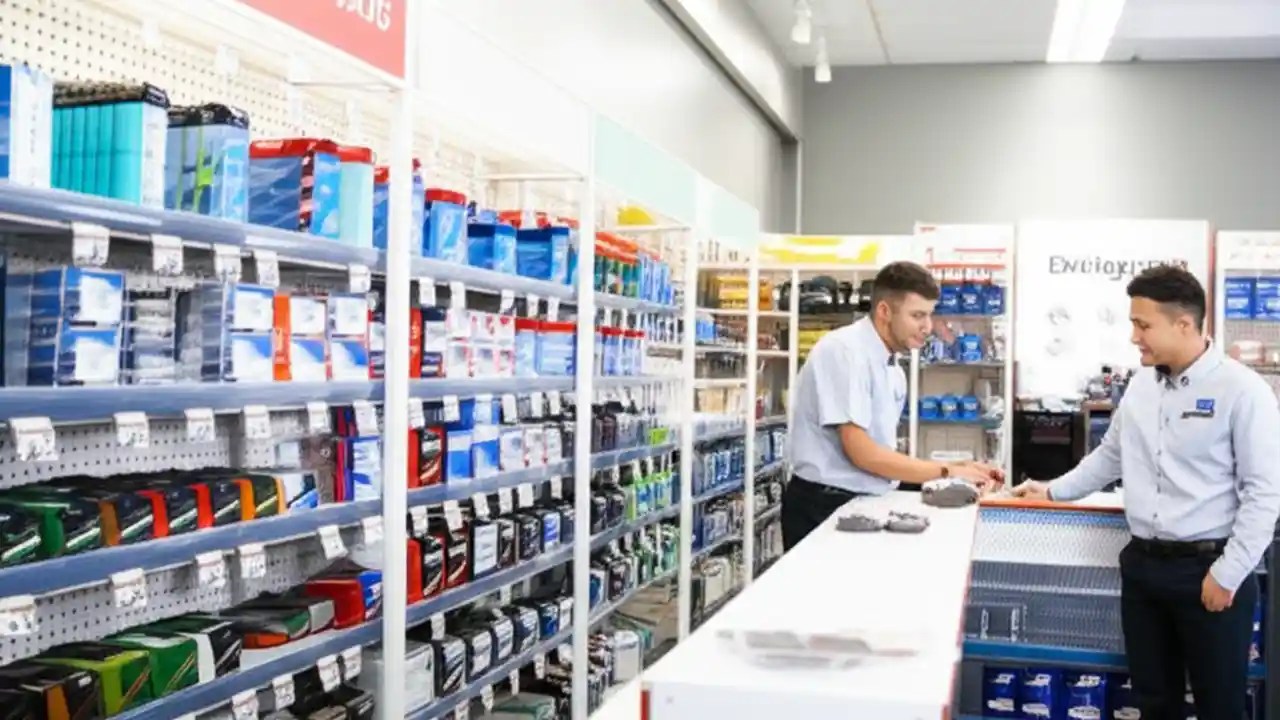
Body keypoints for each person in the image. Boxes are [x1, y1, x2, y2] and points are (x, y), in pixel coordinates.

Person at [1014, 265, 1280, 720]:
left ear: (1183, 324)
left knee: (1221, 706)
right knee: (1154, 703)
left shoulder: (1243, 391)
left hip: (1208, 572)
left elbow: (1265, 494)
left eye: (1143, 324)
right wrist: (1051, 492)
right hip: (1143, 569)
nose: (1134, 336)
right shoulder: (1140, 386)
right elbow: (1110, 457)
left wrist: (1228, 574)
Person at [782, 261, 1004, 550]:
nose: (928, 327)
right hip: (823, 505)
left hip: (863, 499)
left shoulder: (893, 368)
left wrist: (958, 468)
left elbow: (880, 452)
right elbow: (861, 452)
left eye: (930, 315)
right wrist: (946, 472)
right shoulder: (845, 352)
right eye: (917, 315)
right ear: (884, 311)